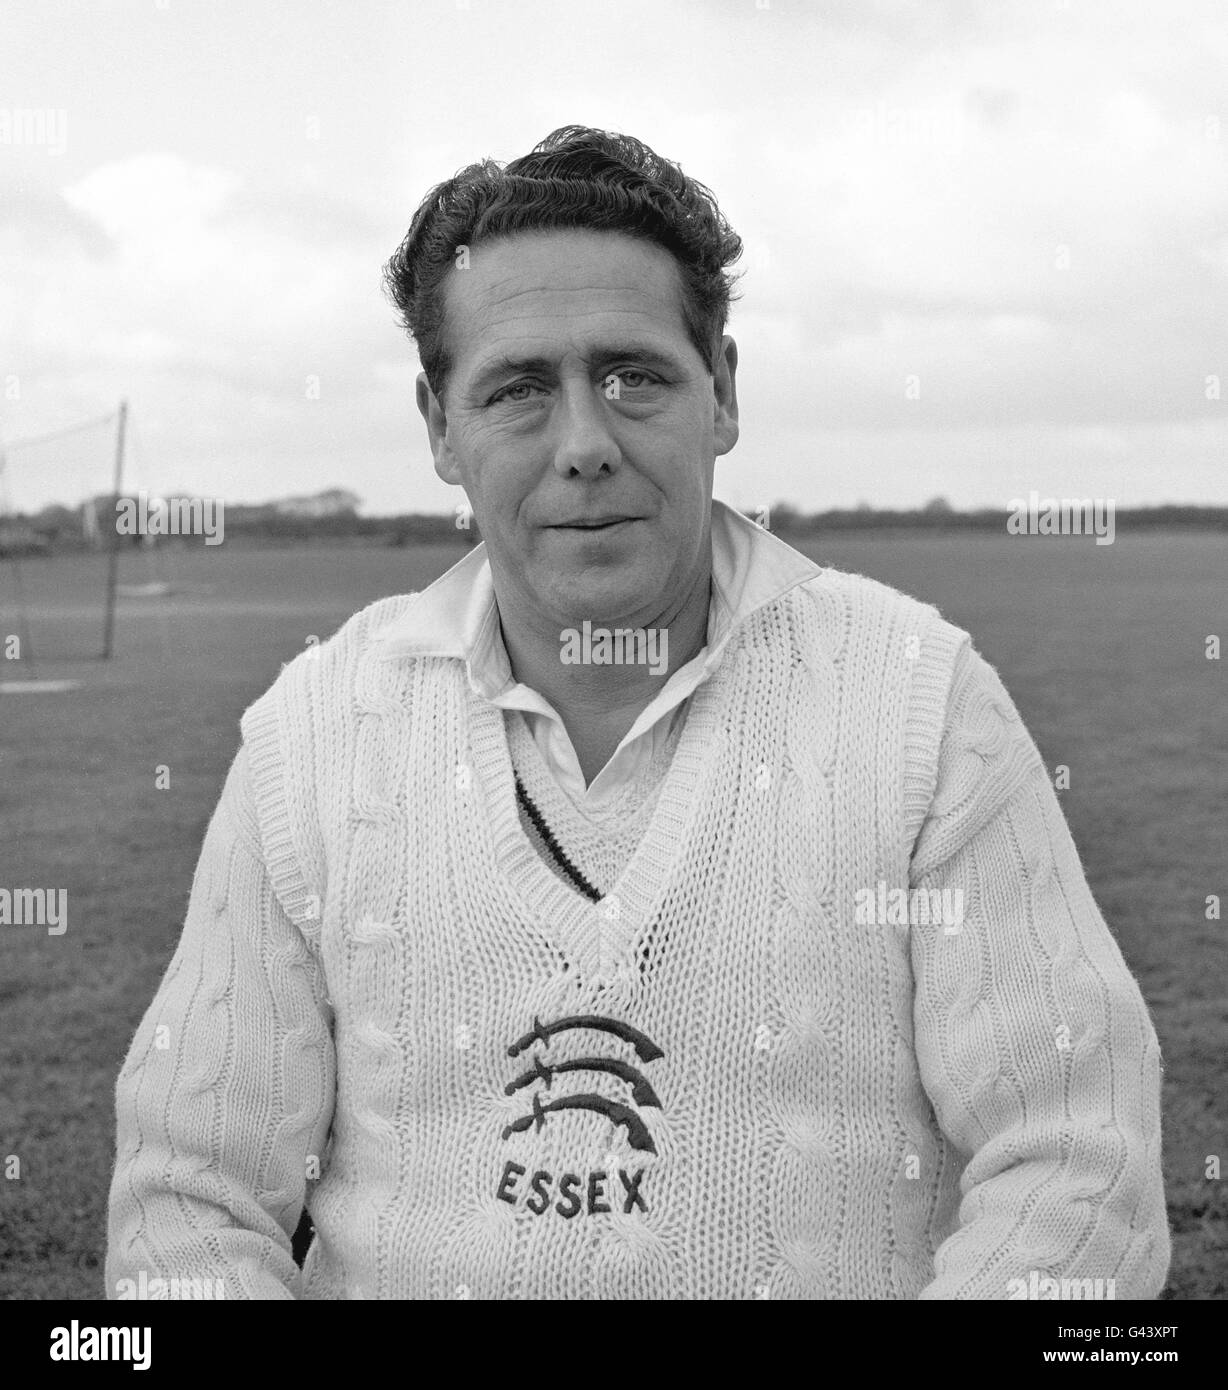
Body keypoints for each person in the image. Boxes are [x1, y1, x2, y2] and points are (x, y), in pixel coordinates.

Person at [105, 125, 1170, 1300]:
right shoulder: (312, 738)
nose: (585, 445)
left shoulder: (920, 702)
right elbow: (190, 1194)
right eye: (516, 390)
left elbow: (1075, 1159)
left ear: (720, 390)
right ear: (438, 429)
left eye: (634, 375)